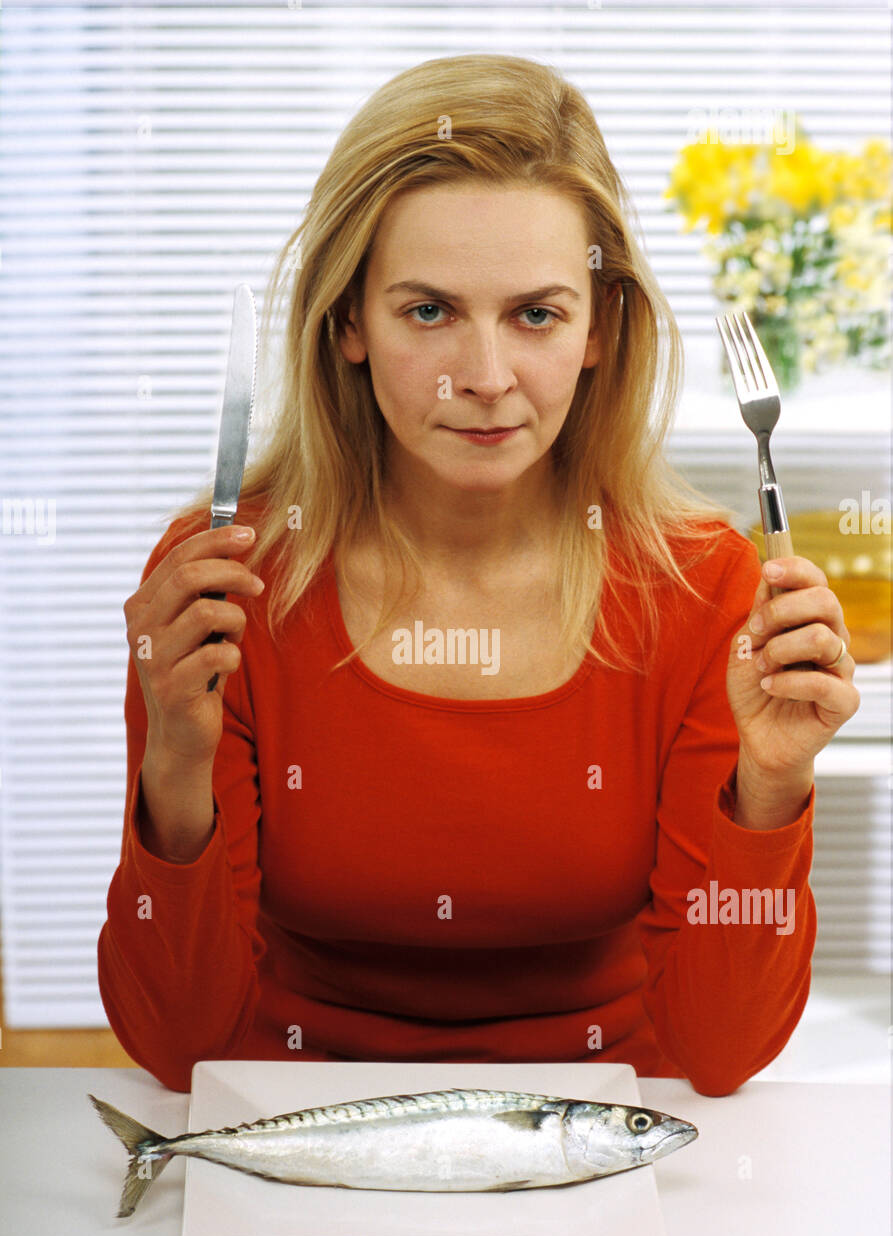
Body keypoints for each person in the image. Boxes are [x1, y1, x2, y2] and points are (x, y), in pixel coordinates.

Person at [98, 54, 859, 1096]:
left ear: (600, 329)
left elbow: (718, 1056)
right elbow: (178, 1045)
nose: (486, 377)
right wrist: (173, 773)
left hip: (597, 1139)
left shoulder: (702, 587)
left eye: (535, 315)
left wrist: (768, 792)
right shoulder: (225, 579)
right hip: (295, 1130)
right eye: (427, 312)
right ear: (348, 323)